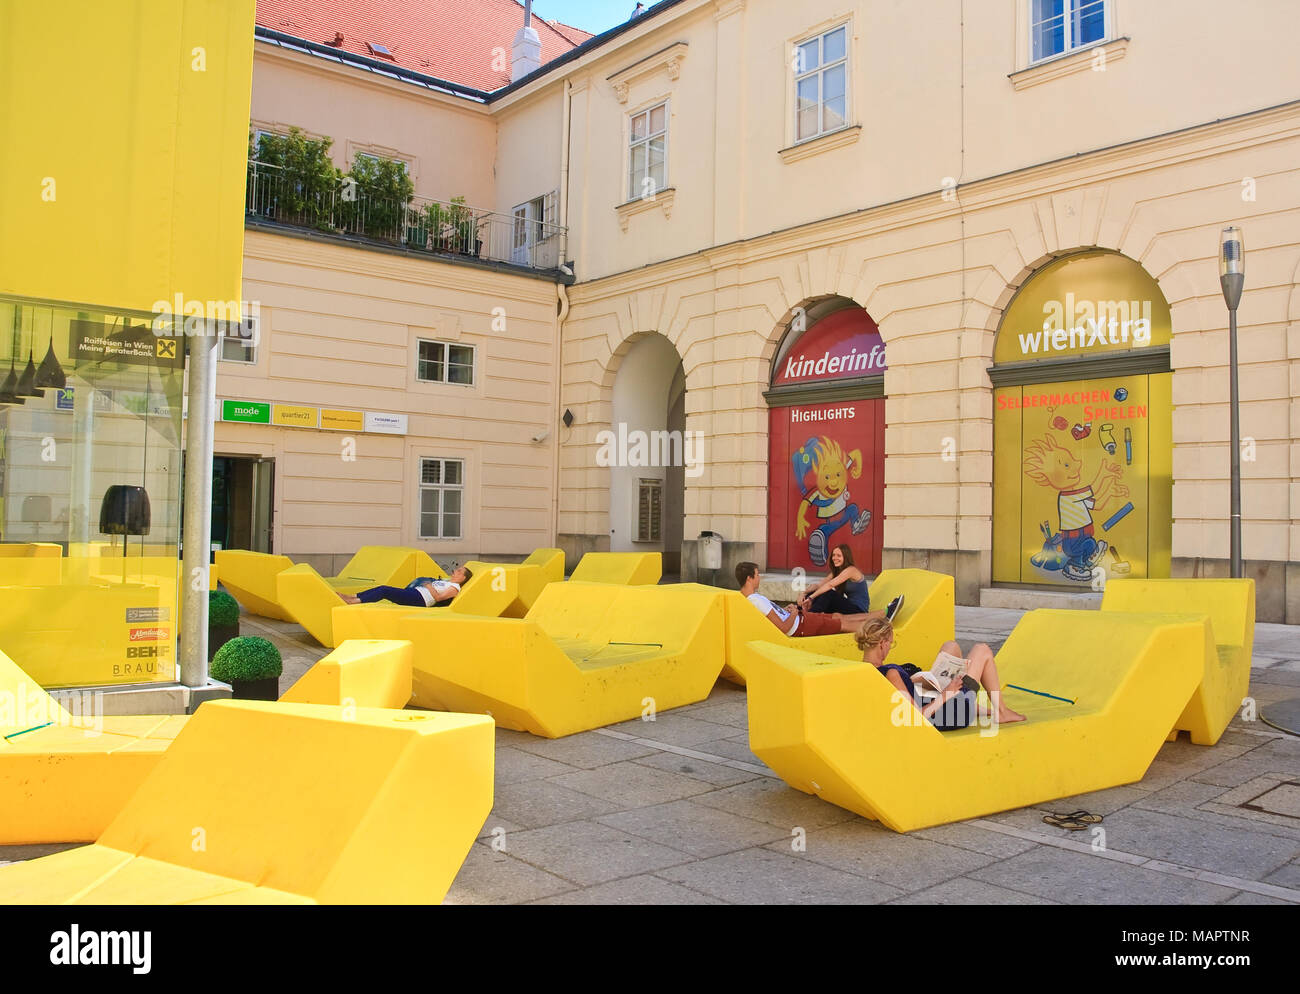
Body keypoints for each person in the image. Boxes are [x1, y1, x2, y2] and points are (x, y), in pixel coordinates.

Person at [854, 617, 1025, 729]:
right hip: (947, 714)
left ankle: (978, 707)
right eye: (891, 643)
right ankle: (1001, 711)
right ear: (882, 643)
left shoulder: (861, 670)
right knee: (982, 650)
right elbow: (915, 718)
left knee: (951, 646)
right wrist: (947, 693)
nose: (890, 647)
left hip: (932, 699)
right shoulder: (890, 674)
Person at [737, 561, 873, 637]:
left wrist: (786, 609)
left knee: (837, 616)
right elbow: (784, 628)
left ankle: (880, 617)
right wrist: (795, 613)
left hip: (800, 620)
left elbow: (772, 616)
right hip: (800, 625)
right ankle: (875, 629)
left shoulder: (747, 598)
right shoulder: (756, 600)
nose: (759, 577)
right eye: (757, 574)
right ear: (749, 578)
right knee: (841, 623)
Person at [797, 543, 903, 622]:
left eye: (839, 556)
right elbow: (819, 585)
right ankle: (799, 613)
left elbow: (830, 585)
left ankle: (808, 618)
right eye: (834, 555)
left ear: (845, 557)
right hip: (848, 608)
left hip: (858, 610)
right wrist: (804, 593)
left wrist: (811, 598)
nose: (835, 558)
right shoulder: (836, 572)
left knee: (828, 594)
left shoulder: (851, 570)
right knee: (815, 593)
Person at [339, 566, 472, 607]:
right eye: (457, 569)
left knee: (384, 590)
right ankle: (352, 596)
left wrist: (429, 586)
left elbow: (438, 598)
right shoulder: (448, 581)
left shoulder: (455, 588)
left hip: (420, 599)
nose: (456, 571)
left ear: (463, 578)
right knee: (382, 588)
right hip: (416, 593)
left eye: (460, 571)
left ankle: (355, 601)